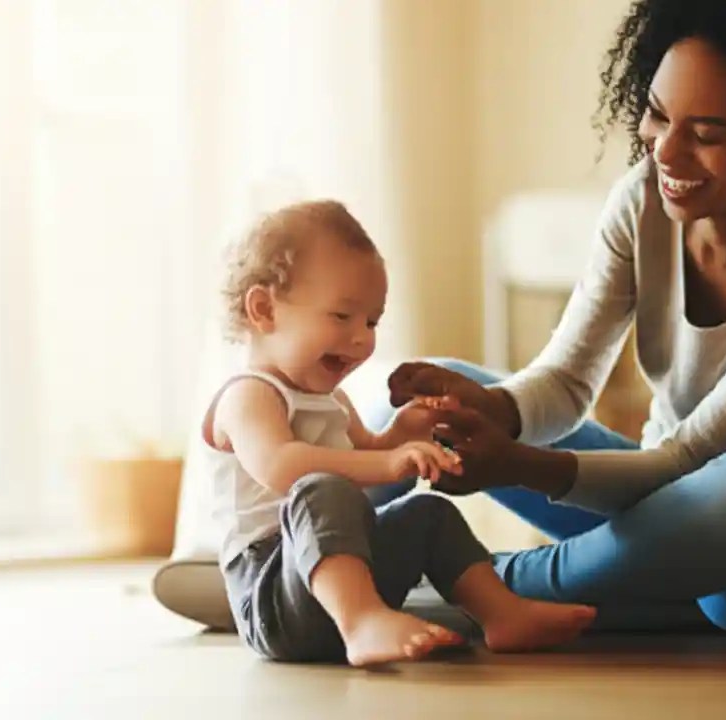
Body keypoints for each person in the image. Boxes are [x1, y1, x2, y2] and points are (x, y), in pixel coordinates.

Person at [378, 0, 726, 633]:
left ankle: (464, 588)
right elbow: (566, 383)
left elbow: (687, 461)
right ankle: (309, 563)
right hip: (656, 502)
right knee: (424, 400)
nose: (666, 153)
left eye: (706, 135)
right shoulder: (641, 202)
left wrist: (509, 461)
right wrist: (496, 411)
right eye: (656, 115)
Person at [200, 200, 596, 666]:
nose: (363, 339)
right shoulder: (248, 395)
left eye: (372, 321)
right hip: (274, 595)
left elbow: (367, 453)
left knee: (427, 511)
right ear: (264, 309)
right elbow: (281, 467)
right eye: (342, 316)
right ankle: (362, 621)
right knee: (318, 489)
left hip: (349, 568)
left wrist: (405, 432)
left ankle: (502, 615)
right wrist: (388, 461)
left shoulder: (329, 400)